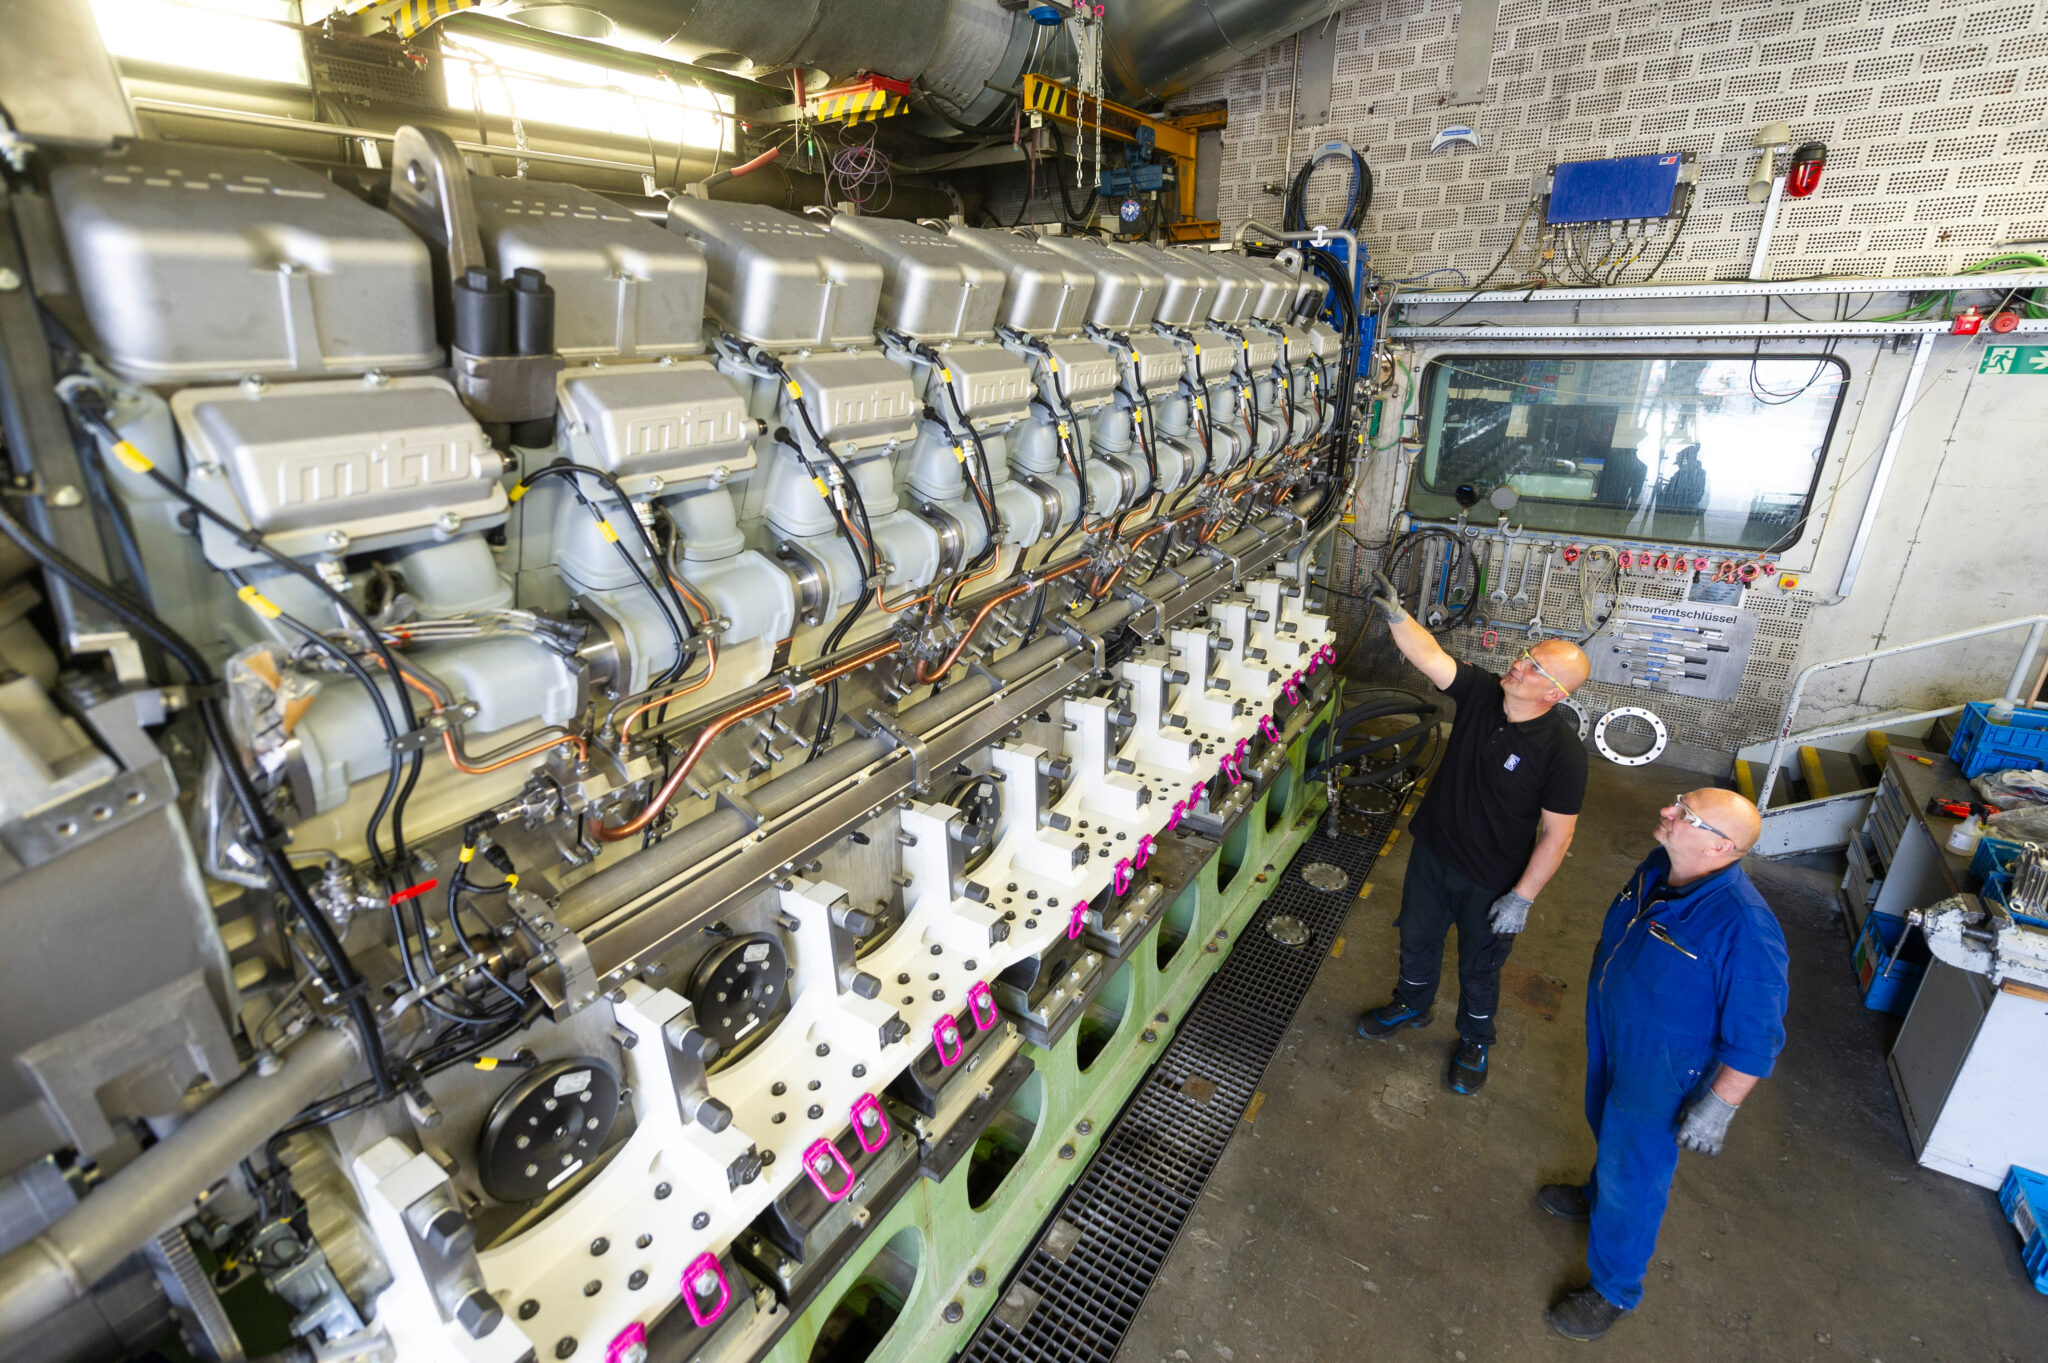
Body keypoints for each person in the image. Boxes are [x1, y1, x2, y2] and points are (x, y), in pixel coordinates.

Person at [1539, 788, 1789, 1342]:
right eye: (1677, 803)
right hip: (1615, 1028)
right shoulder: (1661, 865)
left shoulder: (1745, 930)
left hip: (1666, 1069)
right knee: (1604, 1123)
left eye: (1685, 815)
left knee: (1637, 1173)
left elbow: (1758, 1037)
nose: (1666, 813)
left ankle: (1614, 1288)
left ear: (1721, 846)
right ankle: (1595, 1194)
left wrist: (1720, 1107)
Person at [1356, 571, 1591, 1095]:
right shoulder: (1484, 693)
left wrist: (1522, 899)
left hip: (1492, 879)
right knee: (1417, 938)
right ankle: (1412, 1005)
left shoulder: (1562, 754)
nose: (1518, 664)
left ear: (1554, 693)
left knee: (1479, 965)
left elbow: (1557, 834)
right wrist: (1398, 615)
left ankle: (1475, 1039)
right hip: (1434, 854)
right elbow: (1430, 656)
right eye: (1525, 654)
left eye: (1533, 668)